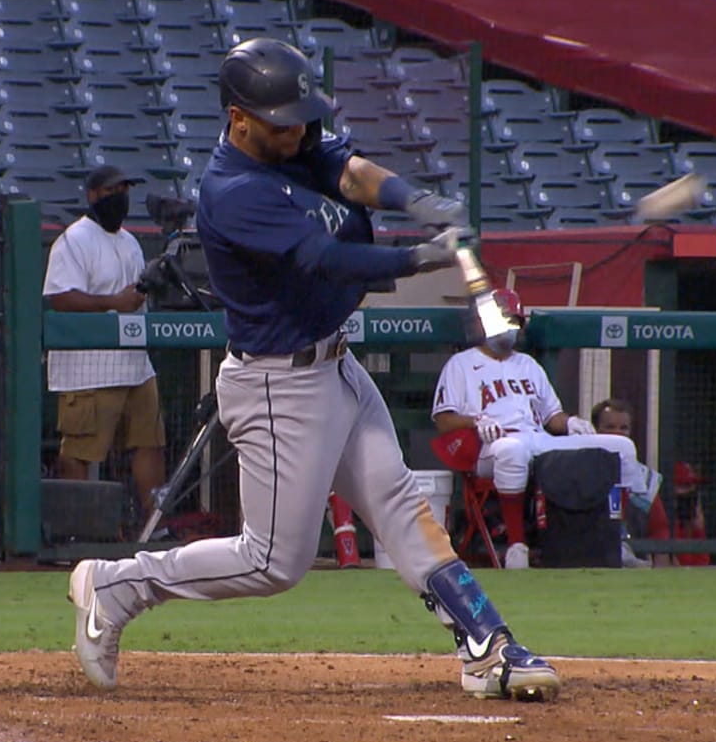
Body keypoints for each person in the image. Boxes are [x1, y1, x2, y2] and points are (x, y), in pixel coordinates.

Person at [67, 37, 560, 702]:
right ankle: (117, 584)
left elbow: (351, 172)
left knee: (403, 507)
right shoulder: (233, 191)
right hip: (278, 384)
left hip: (335, 364)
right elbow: (324, 258)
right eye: (282, 120)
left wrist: (415, 200)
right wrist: (422, 257)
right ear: (239, 117)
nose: (298, 129)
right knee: (272, 562)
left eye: (302, 115)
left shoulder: (295, 143)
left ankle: (486, 645)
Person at [432, 291, 661, 570]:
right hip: (489, 445)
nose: (507, 328)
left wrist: (571, 423)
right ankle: (517, 547)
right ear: (481, 325)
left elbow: (552, 416)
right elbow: (443, 420)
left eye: (512, 322)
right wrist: (475, 422)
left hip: (537, 439)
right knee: (511, 450)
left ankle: (617, 540)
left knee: (620, 447)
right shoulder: (461, 364)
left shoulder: (528, 365)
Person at [42, 164, 167, 533]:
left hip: (135, 363)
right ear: (94, 195)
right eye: (114, 191)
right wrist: (113, 301)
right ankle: (77, 529)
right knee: (80, 451)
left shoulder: (129, 241)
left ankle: (154, 526)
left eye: (126, 189)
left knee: (150, 444)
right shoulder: (74, 239)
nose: (122, 197)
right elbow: (60, 298)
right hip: (88, 366)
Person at [589, 398, 665, 567]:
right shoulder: (579, 471)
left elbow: (660, 532)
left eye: (623, 428)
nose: (617, 433)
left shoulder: (646, 479)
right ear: (595, 430)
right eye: (610, 427)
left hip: (635, 566)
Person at [667, 462, 710, 566]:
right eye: (685, 486)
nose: (692, 490)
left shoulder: (694, 527)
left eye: (693, 486)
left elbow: (702, 564)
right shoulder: (666, 526)